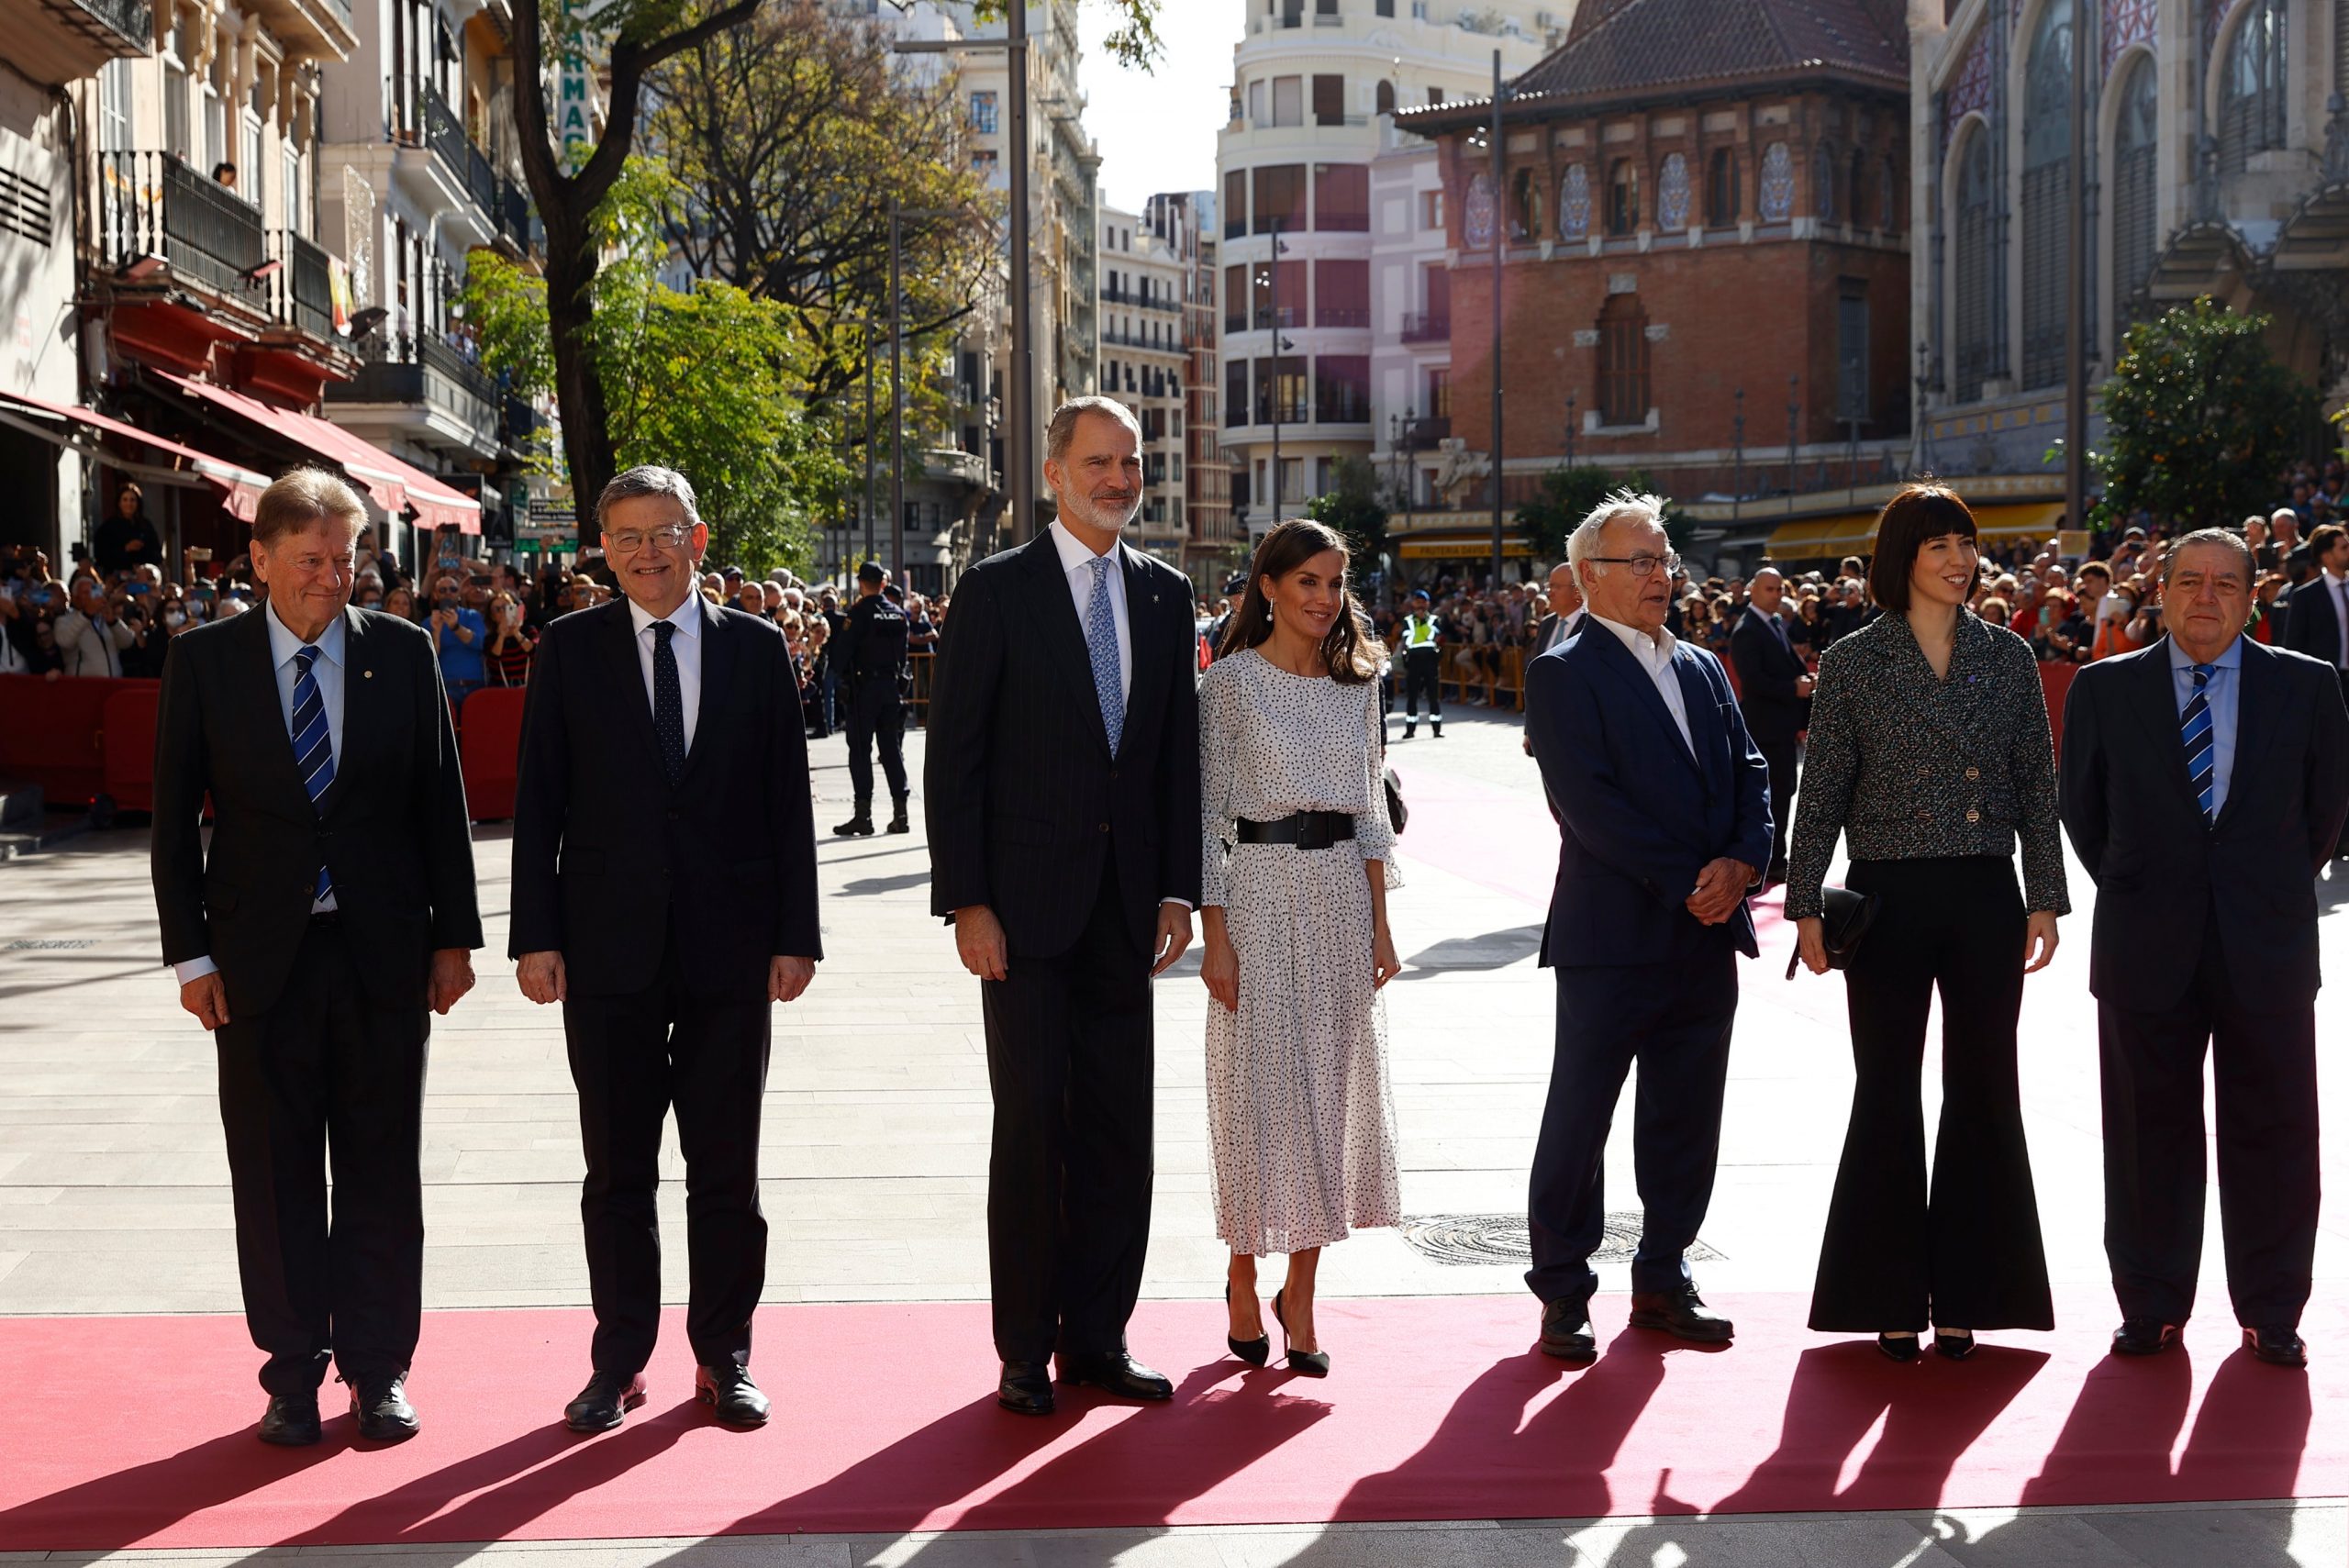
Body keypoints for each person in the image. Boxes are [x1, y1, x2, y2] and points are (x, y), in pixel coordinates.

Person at [150, 468, 480, 1446]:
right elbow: (172, 825)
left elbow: (439, 805)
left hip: (381, 955)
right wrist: (189, 958)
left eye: (347, 560)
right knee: (273, 1169)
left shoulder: (404, 652)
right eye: (312, 560)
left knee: (381, 1171)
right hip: (256, 965)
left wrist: (452, 937)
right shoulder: (203, 662)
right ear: (259, 559)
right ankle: (291, 1370)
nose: (334, 579)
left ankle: (379, 1370)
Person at [510, 468, 818, 1432]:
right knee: (617, 1170)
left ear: (699, 534)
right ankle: (620, 1357)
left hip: (733, 948)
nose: (646, 550)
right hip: (606, 951)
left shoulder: (758, 650)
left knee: (727, 1166)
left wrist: (795, 933)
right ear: (602, 546)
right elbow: (538, 805)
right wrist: (535, 935)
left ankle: (723, 1353)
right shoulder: (567, 650)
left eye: (664, 531)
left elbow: (787, 803)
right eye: (627, 535)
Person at [922, 395, 1201, 1418]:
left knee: (1121, 1135)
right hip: (1023, 919)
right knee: (1033, 1127)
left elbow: (1177, 758)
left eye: (1129, 461)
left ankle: (1098, 1337)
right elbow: (954, 761)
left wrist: (1179, 887)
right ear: (1053, 472)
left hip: (1129, 914)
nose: (1118, 478)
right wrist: (968, 902)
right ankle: (1022, 1346)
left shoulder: (1169, 598)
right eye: (1097, 461)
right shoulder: (994, 592)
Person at [1788, 483, 2066, 1363]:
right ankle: (1887, 1294)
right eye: (1940, 544)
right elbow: (1820, 790)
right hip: (1886, 901)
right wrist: (1803, 904)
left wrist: (2044, 894)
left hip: (1986, 898)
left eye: (1967, 543)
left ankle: (1972, 1296)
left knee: (1985, 1090)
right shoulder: (1855, 661)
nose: (1960, 559)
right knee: (1887, 1091)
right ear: (1902, 557)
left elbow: (2035, 783)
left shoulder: (2008, 657)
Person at [2059, 528, 2349, 1370]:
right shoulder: (2105, 689)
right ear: (2164, 590)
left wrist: (2263, 884)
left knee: (2277, 1131)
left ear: (2253, 597)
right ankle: (2150, 1304)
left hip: (2268, 939)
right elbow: (2086, 813)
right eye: (2190, 581)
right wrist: (2150, 879)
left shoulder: (2307, 684)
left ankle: (2271, 1308)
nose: (2205, 597)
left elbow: (2327, 810)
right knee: (2149, 1137)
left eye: (2226, 583)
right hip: (2147, 940)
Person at [1522, 491, 1773, 1362]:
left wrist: (1744, 863)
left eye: (1666, 559)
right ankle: (1562, 1290)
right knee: (1580, 1117)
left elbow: (1751, 766)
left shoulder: (1701, 665)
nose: (1660, 575)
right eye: (1641, 561)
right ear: (1589, 575)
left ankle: (1664, 1277)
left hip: (1704, 939)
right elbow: (1590, 805)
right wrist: (1688, 880)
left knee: (1686, 1118)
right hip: (1613, 937)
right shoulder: (1564, 669)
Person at [1199, 519, 1404, 1377]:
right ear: (1270, 586)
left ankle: (1304, 1295)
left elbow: (1369, 810)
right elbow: (1207, 814)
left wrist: (1381, 924)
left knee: (1328, 1097)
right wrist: (1214, 935)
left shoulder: (1360, 682)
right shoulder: (1230, 685)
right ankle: (1244, 1275)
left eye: (1336, 583)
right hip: (1257, 896)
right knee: (1257, 1097)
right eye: (1309, 582)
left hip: (1337, 907)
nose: (1325, 599)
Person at [1729, 567, 1813, 885]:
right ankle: (1771, 861)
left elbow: (1788, 665)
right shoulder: (1748, 629)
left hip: (1780, 727)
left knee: (1783, 793)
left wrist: (1804, 682)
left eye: (1779, 589)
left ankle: (1776, 858)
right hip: (1764, 728)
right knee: (1770, 796)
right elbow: (1753, 682)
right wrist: (1794, 688)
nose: (1777, 595)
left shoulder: (1772, 623)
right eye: (1769, 589)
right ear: (1754, 590)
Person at [833, 561, 912, 836]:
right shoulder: (899, 614)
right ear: (882, 583)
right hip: (891, 689)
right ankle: (901, 814)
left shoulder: (859, 613)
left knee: (860, 750)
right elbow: (903, 657)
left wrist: (837, 682)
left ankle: (863, 815)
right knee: (891, 751)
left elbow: (841, 654)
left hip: (865, 691)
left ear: (860, 583)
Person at [426, 573, 486, 707]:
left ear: (459, 593)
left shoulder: (472, 615)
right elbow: (428, 658)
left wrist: (455, 627)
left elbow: (479, 643)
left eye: (453, 589)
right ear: (435, 594)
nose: (448, 593)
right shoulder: (428, 622)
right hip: (444, 688)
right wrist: (436, 632)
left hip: (474, 686)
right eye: (442, 590)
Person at [51, 576, 133, 676]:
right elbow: (64, 641)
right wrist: (86, 615)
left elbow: (127, 642)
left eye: (93, 591)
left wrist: (113, 622)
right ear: (75, 598)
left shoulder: (105, 618)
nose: (91, 596)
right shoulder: (64, 620)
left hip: (113, 683)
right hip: (84, 686)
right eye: (85, 593)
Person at [1397, 589, 1444, 738]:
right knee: (1412, 695)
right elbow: (1409, 640)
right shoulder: (1408, 621)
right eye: (1417, 601)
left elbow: (1433, 636)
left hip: (1430, 659)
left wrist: (1423, 623)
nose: (1420, 605)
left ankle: (1437, 730)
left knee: (1433, 695)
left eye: (1423, 602)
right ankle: (1410, 730)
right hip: (1414, 660)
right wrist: (1421, 627)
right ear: (1413, 603)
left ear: (1428, 603)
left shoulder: (1434, 619)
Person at [95, 482, 165, 575]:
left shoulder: (145, 526)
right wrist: (126, 549)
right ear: (119, 503)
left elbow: (157, 554)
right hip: (117, 577)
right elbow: (102, 556)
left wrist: (142, 551)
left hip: (144, 576)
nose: (129, 503)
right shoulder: (109, 527)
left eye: (132, 500)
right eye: (125, 500)